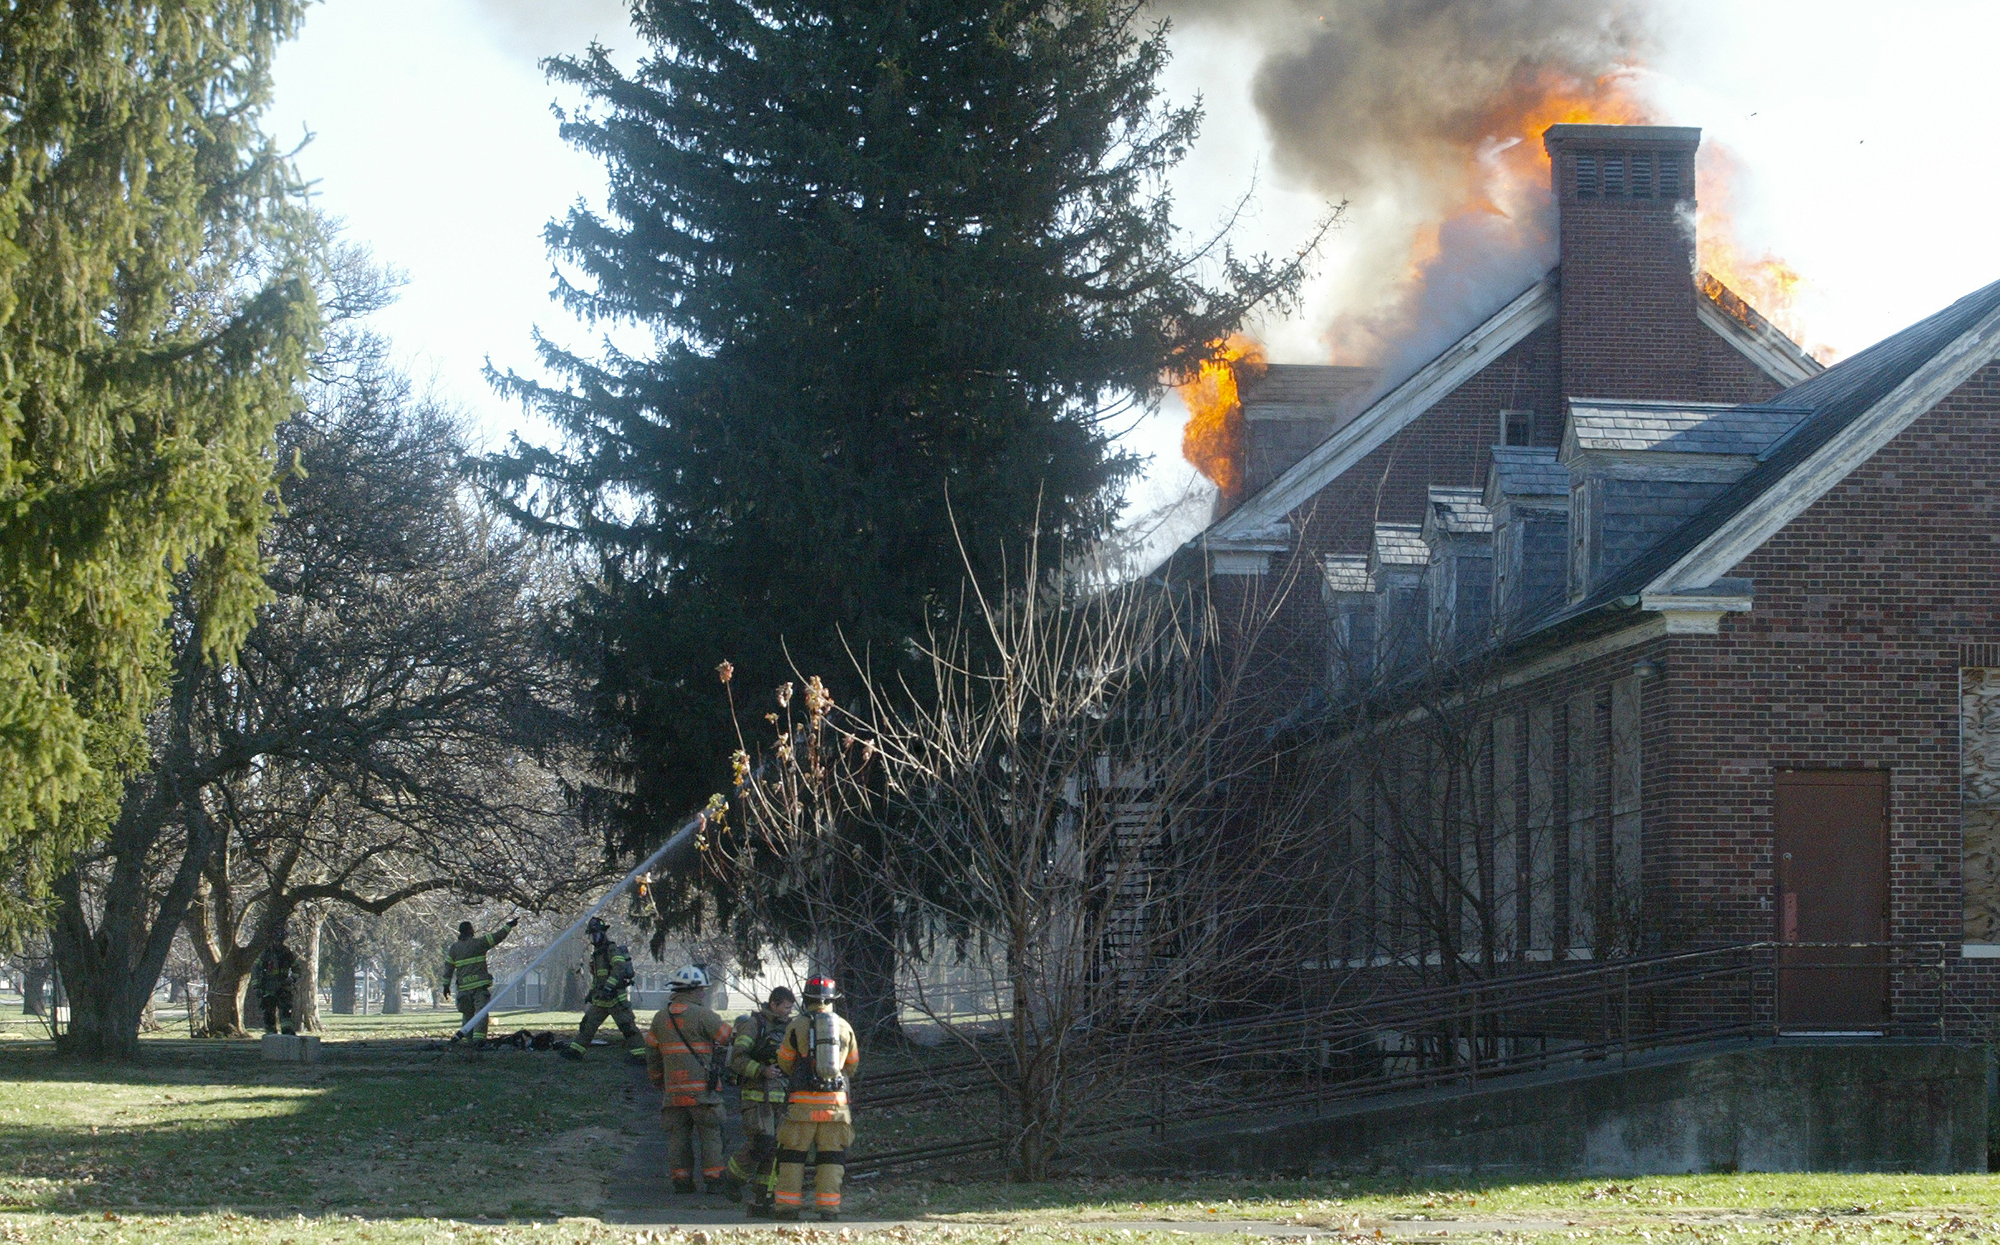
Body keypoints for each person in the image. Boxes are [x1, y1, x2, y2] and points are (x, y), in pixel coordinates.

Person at [772, 975, 859, 1222]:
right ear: (832, 1000)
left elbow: (785, 1061)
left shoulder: (796, 1026)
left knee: (792, 1157)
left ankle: (787, 1208)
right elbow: (852, 1065)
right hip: (835, 1108)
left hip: (802, 1107)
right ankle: (828, 1210)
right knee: (831, 1158)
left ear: (806, 998)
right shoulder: (844, 1026)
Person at [645, 964, 733, 1194]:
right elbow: (727, 1037)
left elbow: (652, 1053)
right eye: (701, 989)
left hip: (673, 1091)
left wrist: (657, 1080)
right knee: (710, 1134)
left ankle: (681, 1181)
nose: (703, 993)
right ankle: (714, 1180)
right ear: (693, 990)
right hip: (702, 1092)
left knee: (678, 1137)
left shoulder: (660, 1018)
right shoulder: (703, 1015)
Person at [723, 985, 796, 1215]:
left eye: (791, 1008)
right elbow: (737, 1059)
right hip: (756, 1096)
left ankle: (762, 1197)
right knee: (761, 1142)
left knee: (774, 1148)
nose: (789, 1012)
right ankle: (731, 1179)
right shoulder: (754, 1024)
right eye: (786, 1007)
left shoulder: (789, 1029)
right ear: (773, 1004)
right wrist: (762, 1070)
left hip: (780, 1098)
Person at [559, 916, 647, 1062]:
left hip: (616, 999)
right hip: (601, 999)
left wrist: (608, 987)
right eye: (592, 935)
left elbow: (619, 967)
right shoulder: (597, 954)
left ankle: (641, 1055)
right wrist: (591, 993)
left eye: (597, 934)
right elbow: (598, 978)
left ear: (603, 934)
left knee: (628, 1028)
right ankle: (575, 1052)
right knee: (587, 1025)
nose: (594, 938)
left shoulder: (611, 949)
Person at [441, 915, 518, 1040]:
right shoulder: (479, 944)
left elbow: (448, 968)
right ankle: (479, 1040)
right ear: (471, 931)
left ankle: (467, 1040)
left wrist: (446, 986)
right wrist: (509, 926)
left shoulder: (454, 949)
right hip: (479, 988)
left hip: (464, 989)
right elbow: (497, 937)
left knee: (467, 1015)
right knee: (481, 1013)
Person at [250, 927, 301, 1036]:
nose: (278, 943)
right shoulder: (266, 954)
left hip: (284, 988)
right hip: (268, 989)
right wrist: (256, 986)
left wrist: (291, 979)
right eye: (276, 940)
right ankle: (271, 1034)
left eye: (280, 941)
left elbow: (297, 969)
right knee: (268, 1012)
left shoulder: (288, 954)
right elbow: (255, 969)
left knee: (286, 1011)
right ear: (273, 940)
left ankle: (287, 1032)